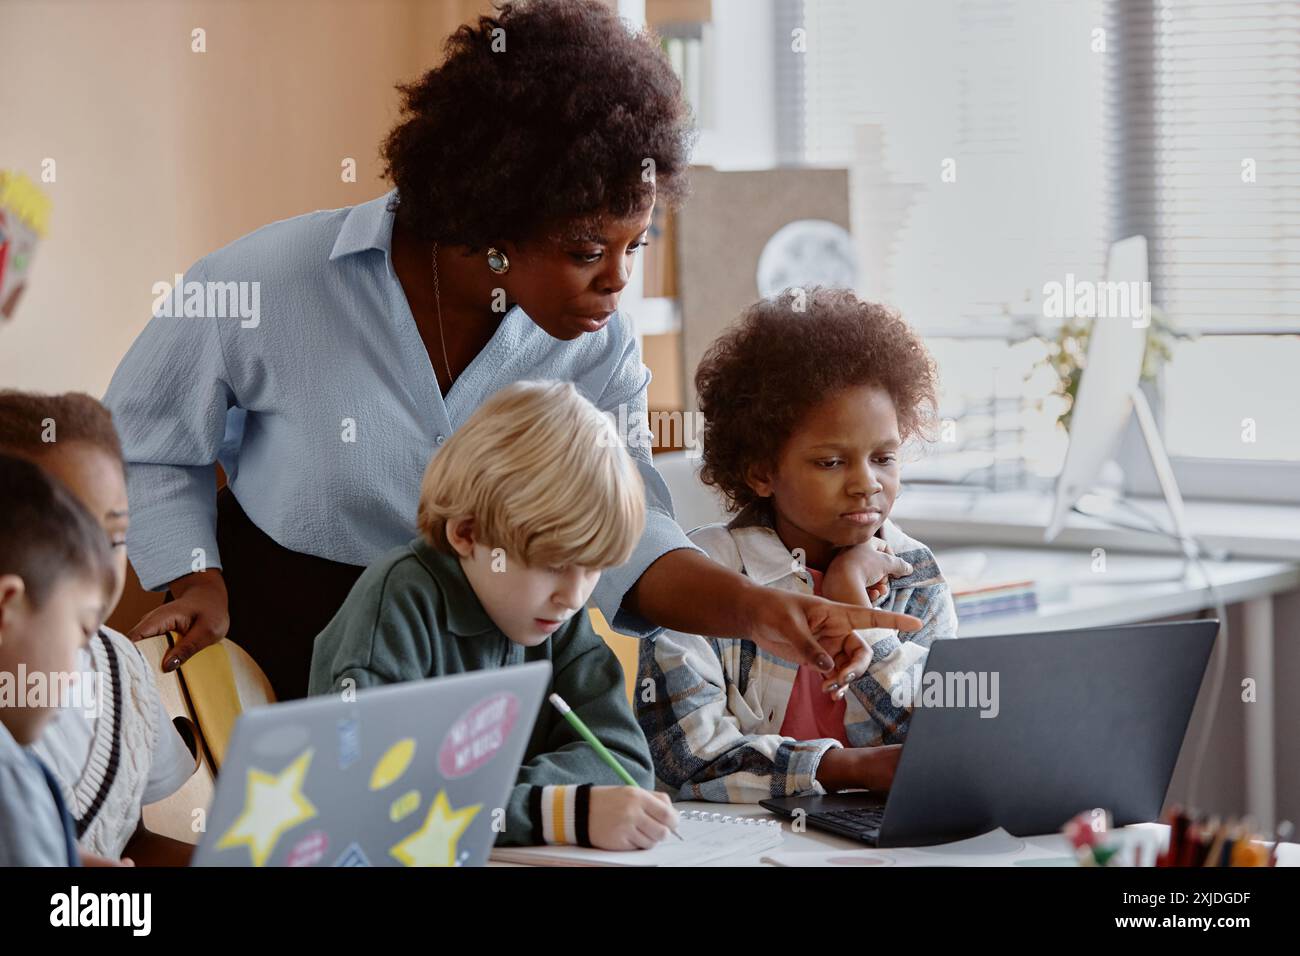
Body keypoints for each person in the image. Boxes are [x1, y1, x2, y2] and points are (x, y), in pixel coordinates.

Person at [638, 290, 958, 802]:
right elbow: (686, 757)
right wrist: (848, 768)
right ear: (762, 472)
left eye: (884, 458)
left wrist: (854, 597)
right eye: (831, 462)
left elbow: (944, 734)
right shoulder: (700, 579)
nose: (865, 484)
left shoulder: (914, 573)